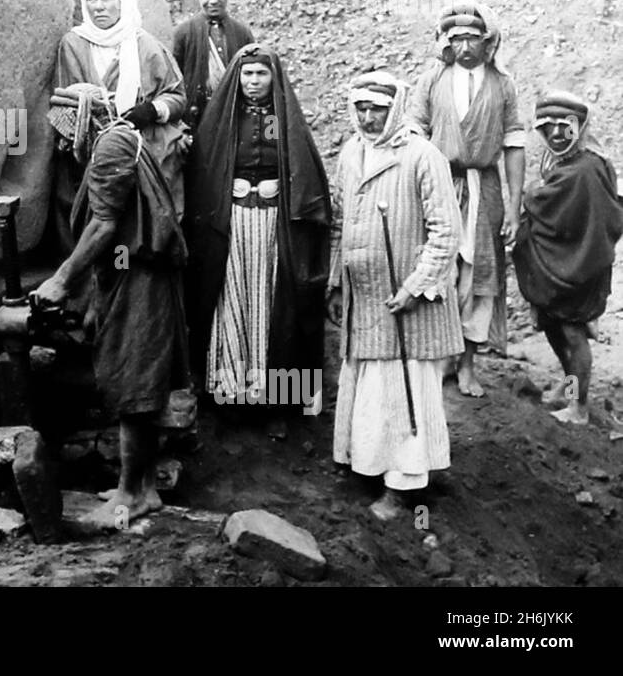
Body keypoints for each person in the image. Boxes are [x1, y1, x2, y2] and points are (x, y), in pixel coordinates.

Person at [35, 94, 189, 529]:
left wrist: (62, 281)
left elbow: (104, 225)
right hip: (134, 272)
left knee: (132, 382)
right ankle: (146, 488)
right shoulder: (119, 140)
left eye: (66, 129)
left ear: (84, 119)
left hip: (142, 279)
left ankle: (128, 498)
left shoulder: (110, 147)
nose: (63, 143)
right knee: (142, 379)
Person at [329, 71, 464, 521]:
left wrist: (414, 286)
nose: (368, 118)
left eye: (378, 110)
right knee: (369, 387)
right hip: (363, 298)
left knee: (405, 392)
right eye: (362, 108)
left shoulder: (423, 156)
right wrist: (336, 281)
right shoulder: (351, 154)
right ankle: (369, 467)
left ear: (396, 109)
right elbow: (343, 223)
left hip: (408, 306)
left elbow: (446, 231)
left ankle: (404, 489)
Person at [184, 44, 331, 438]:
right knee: (233, 299)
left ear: (273, 78)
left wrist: (282, 189)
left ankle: (280, 401)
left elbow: (306, 172)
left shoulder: (286, 120)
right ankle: (229, 394)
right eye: (247, 74)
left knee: (274, 303)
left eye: (261, 75)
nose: (253, 83)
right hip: (231, 225)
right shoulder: (222, 118)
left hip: (274, 227)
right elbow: (204, 170)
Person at [409, 2, 525, 398]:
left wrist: (512, 205)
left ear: (487, 39)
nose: (464, 46)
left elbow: (514, 143)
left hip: (485, 188)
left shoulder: (502, 84)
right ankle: (440, 358)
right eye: (456, 38)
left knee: (480, 275)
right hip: (439, 184)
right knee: (440, 268)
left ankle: (468, 364)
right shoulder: (431, 80)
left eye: (472, 37)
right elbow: (415, 134)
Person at [52, 0, 187, 247]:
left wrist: (152, 110)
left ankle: (138, 266)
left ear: (122, 1)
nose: (99, 6)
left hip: (140, 139)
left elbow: (176, 97)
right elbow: (67, 98)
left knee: (139, 221)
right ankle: (99, 275)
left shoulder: (145, 45)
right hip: (90, 143)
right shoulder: (74, 44)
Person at [513, 90, 623, 426]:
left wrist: (532, 193)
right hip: (555, 263)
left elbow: (554, 204)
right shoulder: (561, 161)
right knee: (553, 326)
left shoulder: (588, 168)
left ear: (580, 126)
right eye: (549, 127)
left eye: (566, 126)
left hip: (580, 267)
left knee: (574, 334)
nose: (557, 134)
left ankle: (579, 408)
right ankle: (570, 387)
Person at [171, 0, 256, 134]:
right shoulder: (183, 33)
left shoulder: (242, 33)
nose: (213, 0)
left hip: (234, 119)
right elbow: (173, 83)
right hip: (195, 122)